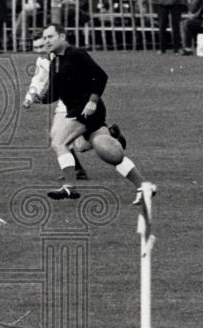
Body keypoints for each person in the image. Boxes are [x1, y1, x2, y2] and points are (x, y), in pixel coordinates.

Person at [27, 24, 155, 212]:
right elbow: (55, 93)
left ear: (62, 37)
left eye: (50, 37)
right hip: (80, 111)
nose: (46, 41)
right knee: (111, 153)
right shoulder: (55, 60)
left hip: (86, 110)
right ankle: (143, 185)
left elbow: (101, 76)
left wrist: (92, 101)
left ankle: (70, 187)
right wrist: (39, 99)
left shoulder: (76, 54)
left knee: (59, 143)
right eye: (44, 38)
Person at [23, 34, 89, 180]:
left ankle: (110, 135)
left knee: (78, 145)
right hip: (65, 102)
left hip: (79, 101)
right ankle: (77, 171)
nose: (39, 50)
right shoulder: (42, 61)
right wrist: (30, 97)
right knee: (60, 139)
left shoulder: (65, 58)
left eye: (42, 46)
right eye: (35, 48)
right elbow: (39, 80)